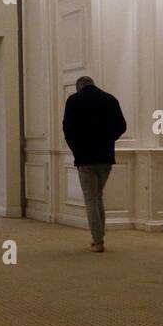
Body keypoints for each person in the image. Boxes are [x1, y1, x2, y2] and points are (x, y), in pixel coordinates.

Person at [62, 76, 127, 253]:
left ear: (78, 87)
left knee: (91, 198)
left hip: (85, 157)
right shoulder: (110, 99)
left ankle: (98, 241)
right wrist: (107, 140)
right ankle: (99, 237)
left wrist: (76, 148)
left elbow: (67, 128)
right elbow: (122, 126)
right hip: (105, 156)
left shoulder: (74, 100)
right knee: (98, 196)